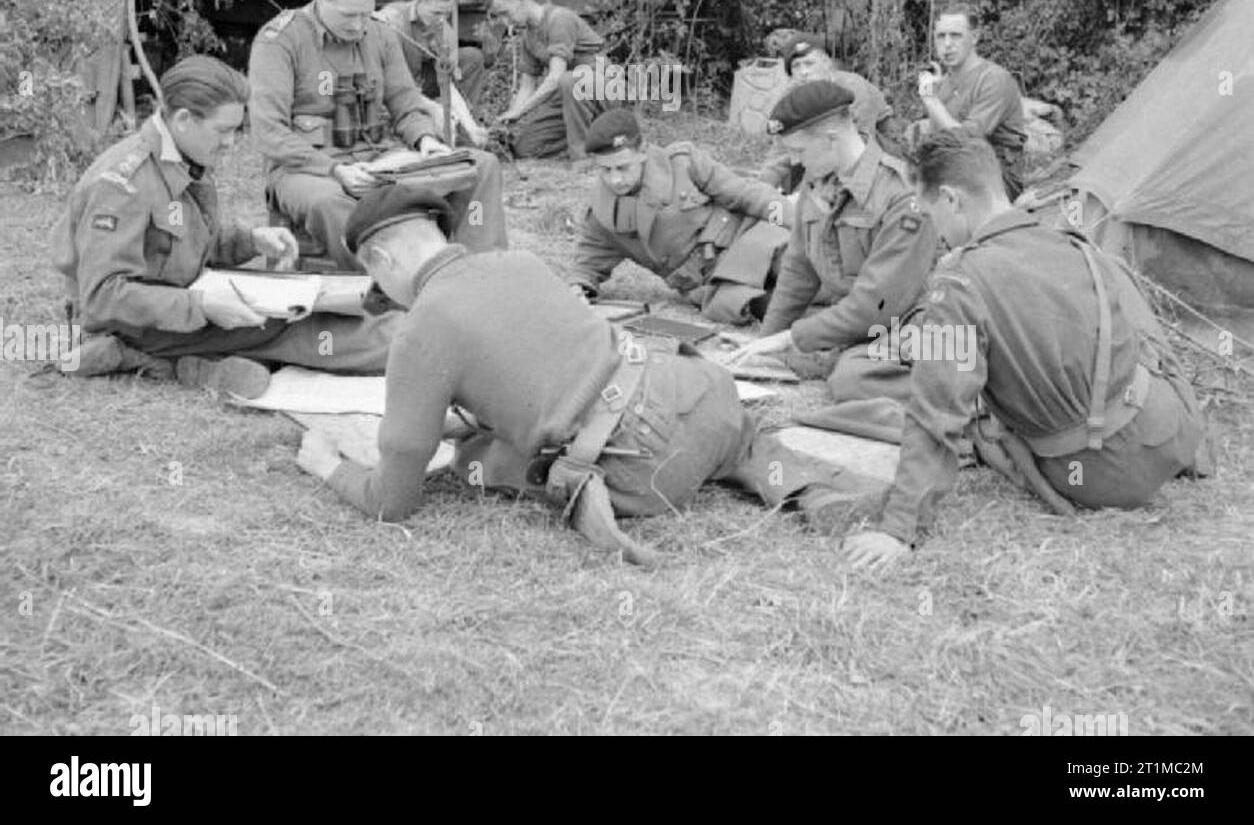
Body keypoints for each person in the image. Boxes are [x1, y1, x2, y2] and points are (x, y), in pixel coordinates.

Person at [295, 184, 900, 560]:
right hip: (697, 392)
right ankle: (810, 486)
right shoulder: (520, 261)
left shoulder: (422, 327)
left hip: (640, 468)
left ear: (378, 259)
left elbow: (393, 501)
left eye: (378, 281)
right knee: (735, 438)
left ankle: (778, 479)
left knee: (474, 462)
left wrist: (329, 466)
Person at [844, 130, 1211, 572]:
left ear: (952, 200)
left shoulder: (959, 283)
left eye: (931, 214)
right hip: (1170, 429)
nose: (936, 233)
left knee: (976, 420)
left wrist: (897, 529)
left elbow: (936, 414)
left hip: (1103, 476)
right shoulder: (1074, 243)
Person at [51, 56, 396, 394]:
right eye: (224, 130)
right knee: (291, 326)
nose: (231, 143)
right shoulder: (121, 185)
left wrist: (252, 240)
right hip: (135, 324)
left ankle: (186, 363)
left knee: (308, 304)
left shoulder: (179, 155)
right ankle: (414, 345)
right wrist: (200, 307)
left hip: (182, 299)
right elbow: (102, 296)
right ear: (184, 119)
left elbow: (179, 240)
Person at [248, 0, 508, 271]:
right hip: (307, 169)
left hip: (379, 158)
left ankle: (476, 274)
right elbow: (268, 132)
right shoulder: (280, 41)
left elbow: (406, 103)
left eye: (365, 13)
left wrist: (426, 140)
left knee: (479, 166)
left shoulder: (380, 33)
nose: (359, 26)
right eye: (348, 15)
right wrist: (334, 170)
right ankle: (386, 289)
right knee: (332, 203)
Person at [728, 82, 939, 405]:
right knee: (799, 354)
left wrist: (792, 337)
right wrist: (766, 342)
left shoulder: (901, 195)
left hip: (912, 321)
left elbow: (877, 305)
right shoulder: (818, 180)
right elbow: (798, 270)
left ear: (831, 138)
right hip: (860, 322)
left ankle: (961, 392)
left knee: (851, 380)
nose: (795, 163)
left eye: (798, 151)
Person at [568, 109, 793, 324]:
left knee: (799, 269)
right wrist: (578, 287)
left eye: (623, 167)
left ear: (642, 152)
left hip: (747, 240)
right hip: (715, 281)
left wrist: (789, 222)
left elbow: (748, 195)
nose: (615, 179)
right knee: (776, 308)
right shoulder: (601, 215)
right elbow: (586, 266)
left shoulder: (682, 162)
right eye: (606, 170)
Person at [759, 33, 898, 193]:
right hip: (823, 146)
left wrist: (814, 192)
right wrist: (760, 191)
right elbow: (780, 150)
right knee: (792, 168)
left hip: (879, 144)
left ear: (826, 64)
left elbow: (857, 145)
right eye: (796, 66)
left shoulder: (853, 88)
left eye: (809, 63)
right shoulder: (791, 97)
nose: (804, 72)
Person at [916, 2, 1027, 199]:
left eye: (955, 35)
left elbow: (966, 141)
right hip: (954, 169)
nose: (947, 44)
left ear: (974, 37)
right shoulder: (942, 83)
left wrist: (931, 100)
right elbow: (937, 141)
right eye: (941, 36)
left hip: (996, 178)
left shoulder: (994, 79)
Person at [488, 0, 608, 159]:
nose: (506, 22)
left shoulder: (559, 19)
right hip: (569, 96)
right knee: (525, 148)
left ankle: (582, 155)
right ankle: (596, 138)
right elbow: (526, 87)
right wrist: (510, 118)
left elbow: (555, 78)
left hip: (603, 88)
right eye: (500, 16)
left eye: (506, 13)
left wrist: (520, 111)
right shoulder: (528, 37)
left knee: (569, 81)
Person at [377, 0, 488, 146]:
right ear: (419, 1)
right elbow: (387, 83)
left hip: (422, 84)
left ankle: (461, 131)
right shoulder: (393, 21)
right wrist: (433, 109)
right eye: (436, 13)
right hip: (395, 90)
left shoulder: (444, 29)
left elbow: (447, 84)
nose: (441, 20)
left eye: (447, 13)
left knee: (471, 57)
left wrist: (470, 125)